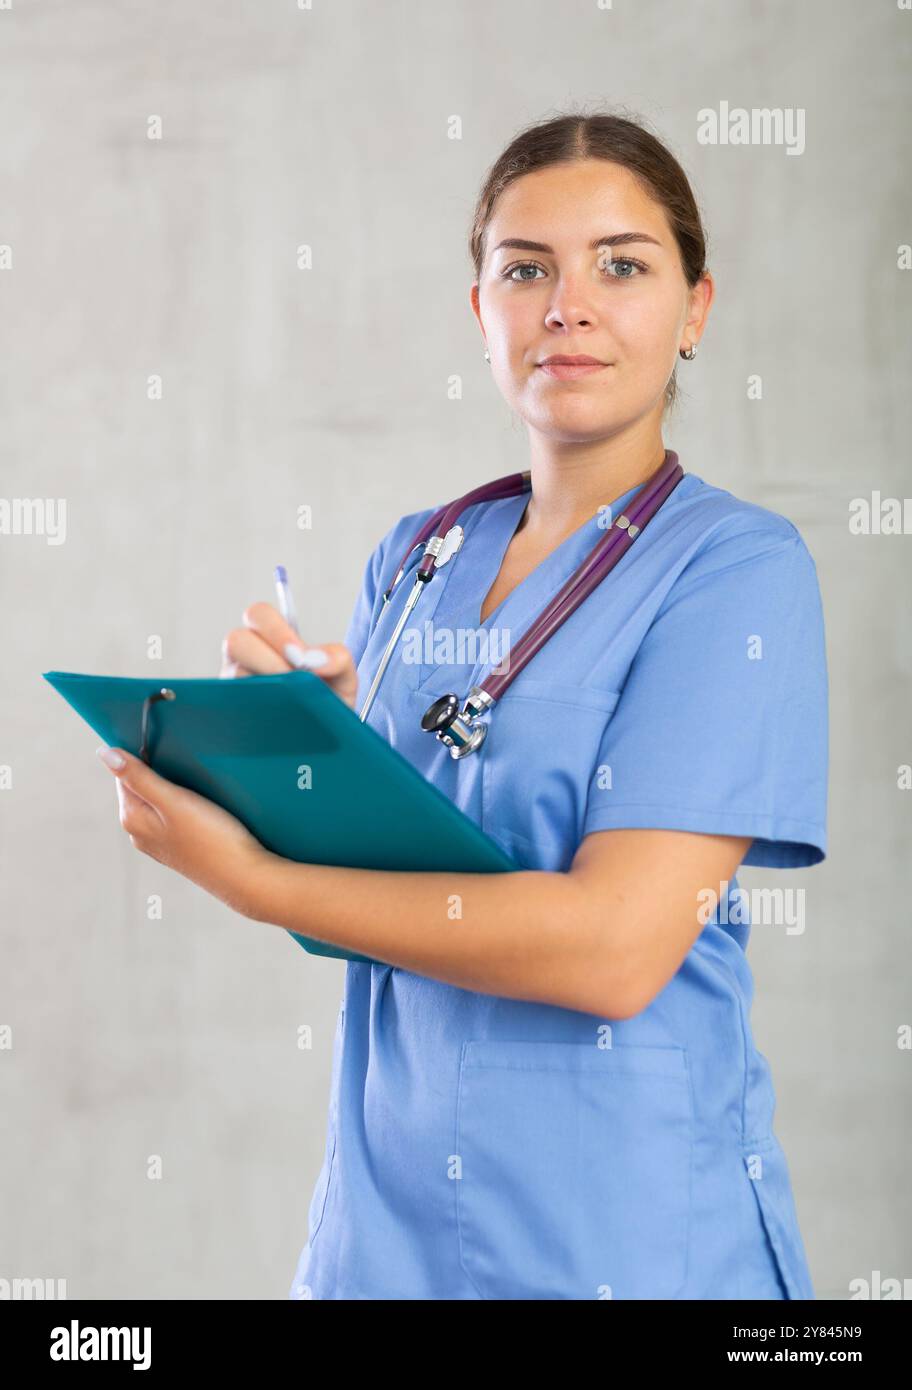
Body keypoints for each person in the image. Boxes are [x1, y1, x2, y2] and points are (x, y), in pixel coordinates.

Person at [98, 111, 828, 1300]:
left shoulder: (738, 572)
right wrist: (295, 759)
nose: (567, 305)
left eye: (623, 265)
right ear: (477, 311)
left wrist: (250, 876)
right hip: (388, 1234)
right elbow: (368, 904)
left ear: (696, 309)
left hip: (626, 1235)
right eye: (525, 268)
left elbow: (613, 950)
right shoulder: (422, 554)